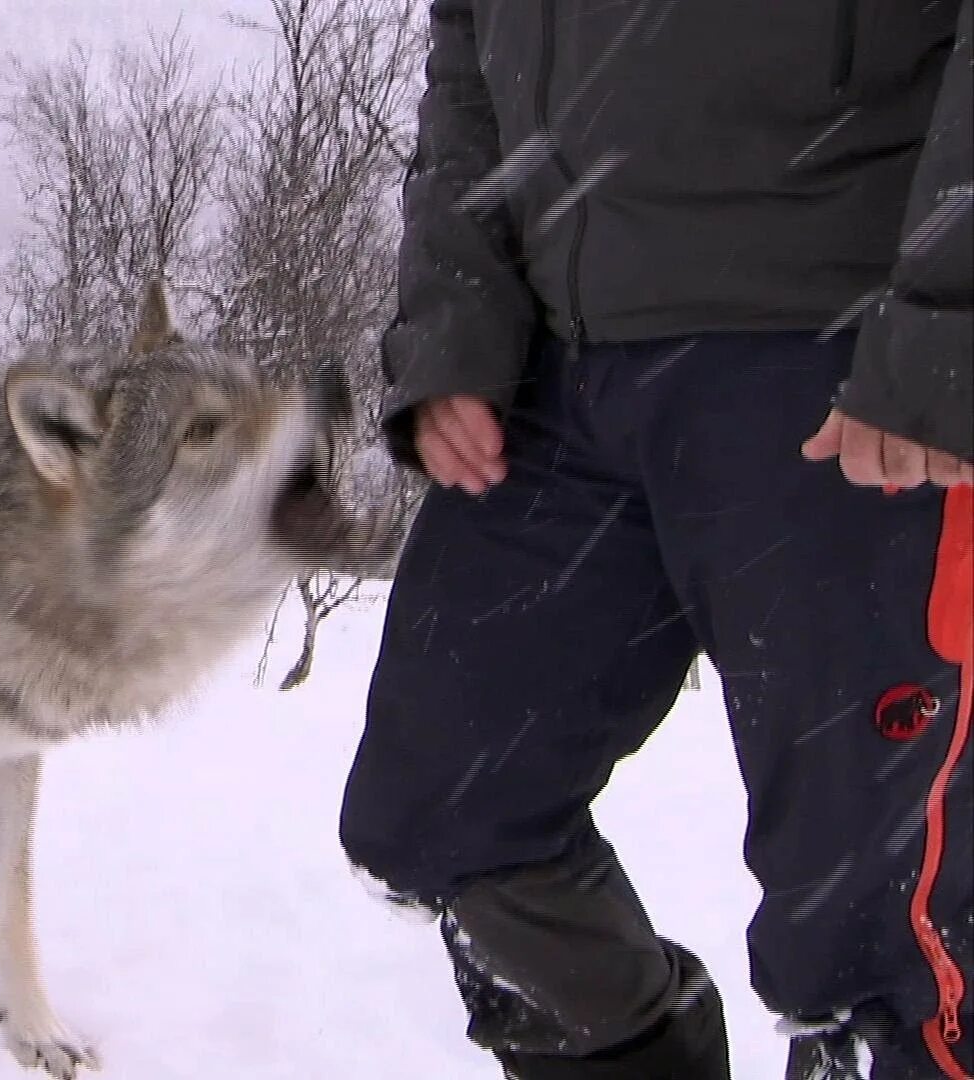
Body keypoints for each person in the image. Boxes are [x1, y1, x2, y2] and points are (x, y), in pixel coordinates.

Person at [338, 2, 973, 1078]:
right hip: (558, 372)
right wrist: (455, 313)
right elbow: (466, 45)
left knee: (879, 926)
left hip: (839, 366)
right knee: (446, 807)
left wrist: (947, 325)